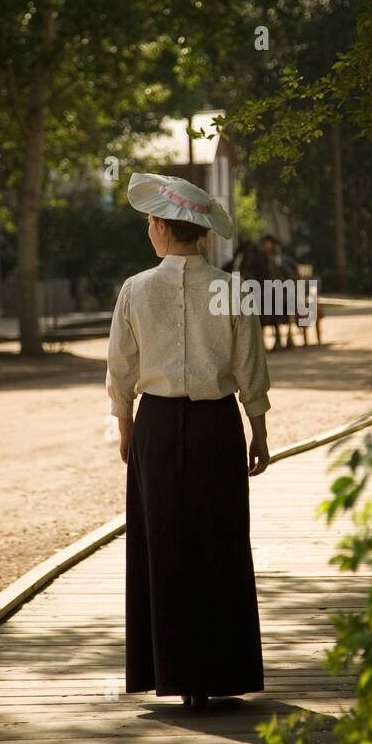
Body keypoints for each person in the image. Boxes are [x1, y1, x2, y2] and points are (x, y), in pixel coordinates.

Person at [106, 172, 271, 712]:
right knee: (220, 540)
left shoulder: (134, 289)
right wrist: (259, 428)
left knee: (162, 542)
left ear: (159, 228)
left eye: (151, 222)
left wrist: (125, 427)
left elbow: (121, 371)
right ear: (199, 232)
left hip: (154, 424)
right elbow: (250, 367)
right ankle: (221, 670)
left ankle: (172, 671)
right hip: (216, 426)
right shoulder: (232, 289)